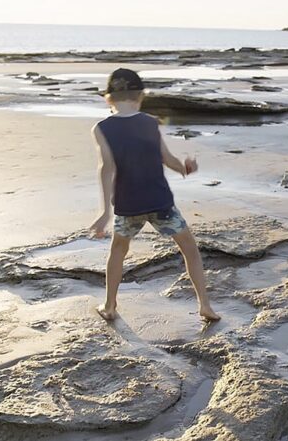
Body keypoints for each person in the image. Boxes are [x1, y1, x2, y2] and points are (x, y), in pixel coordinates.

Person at [89, 68, 220, 322]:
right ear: (140, 96)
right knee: (190, 250)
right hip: (160, 204)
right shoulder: (150, 122)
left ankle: (109, 306)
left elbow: (106, 168)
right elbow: (168, 159)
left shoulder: (101, 128)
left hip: (128, 205)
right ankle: (205, 305)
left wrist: (104, 211)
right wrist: (185, 168)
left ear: (109, 98)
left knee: (118, 251)